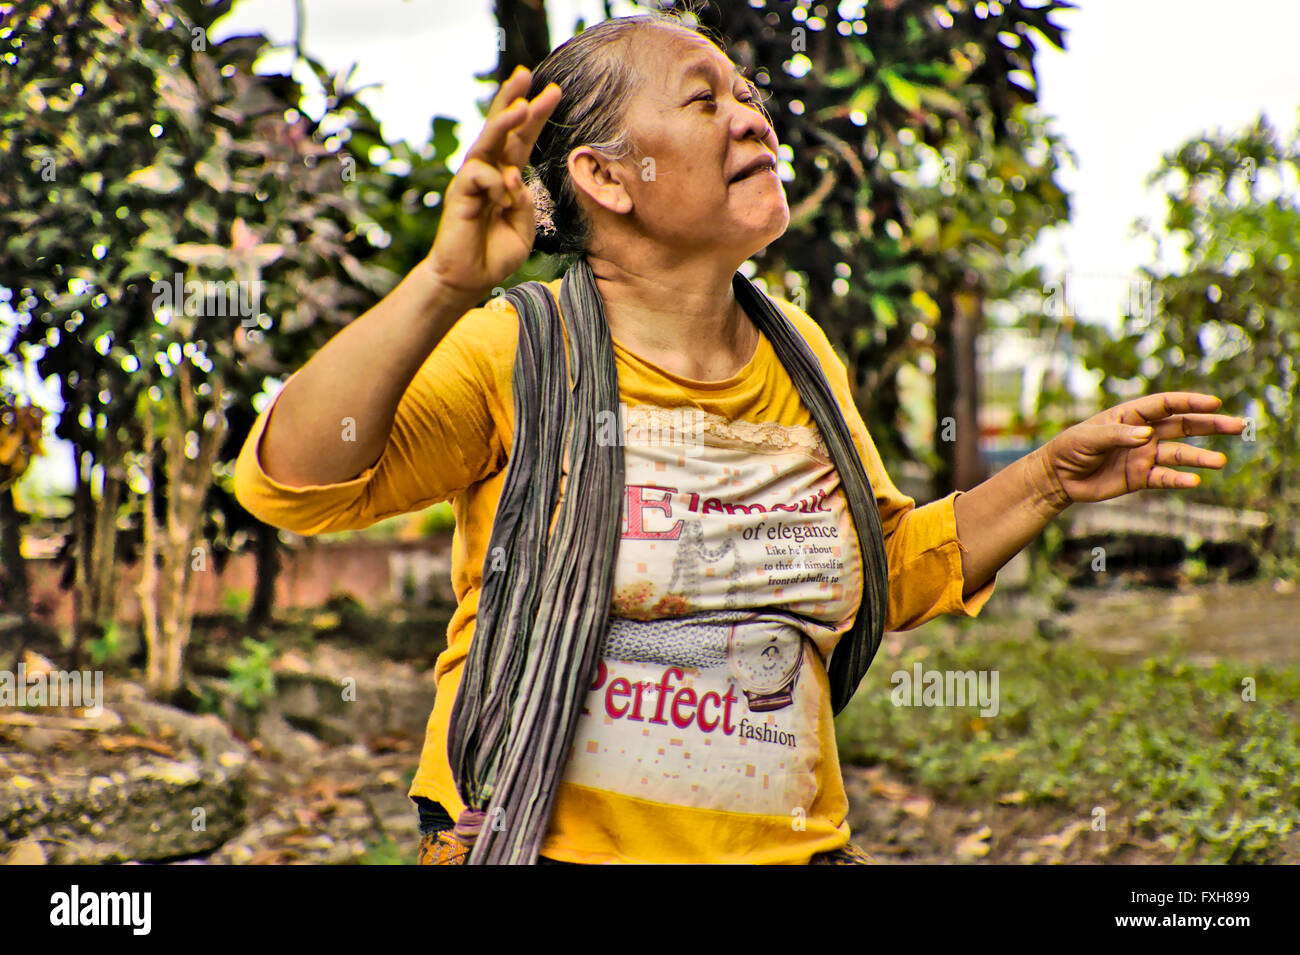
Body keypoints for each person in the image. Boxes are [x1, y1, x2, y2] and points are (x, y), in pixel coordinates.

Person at [233, 12, 1245, 865]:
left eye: (747, 97)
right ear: (608, 176)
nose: (753, 120)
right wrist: (446, 283)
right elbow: (292, 479)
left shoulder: (797, 351)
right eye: (705, 100)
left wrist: (1048, 479)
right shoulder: (521, 350)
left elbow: (883, 567)